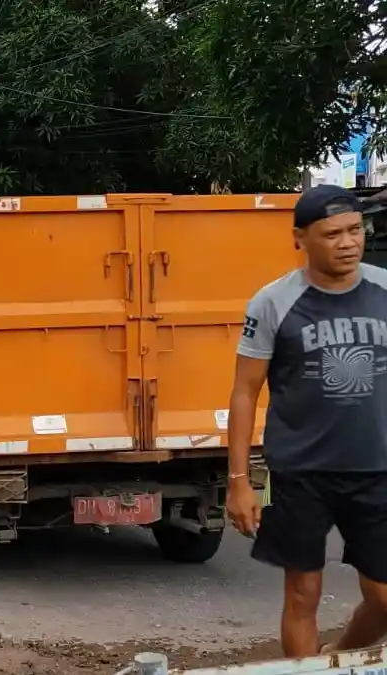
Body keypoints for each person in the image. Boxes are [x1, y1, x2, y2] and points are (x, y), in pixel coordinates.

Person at [227, 184, 387, 657]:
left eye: (356, 230)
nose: (348, 243)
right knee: (302, 594)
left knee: (383, 597)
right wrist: (239, 480)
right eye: (332, 233)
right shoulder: (273, 302)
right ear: (300, 238)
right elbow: (244, 392)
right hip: (299, 472)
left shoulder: (384, 291)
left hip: (376, 470)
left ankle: (336, 658)